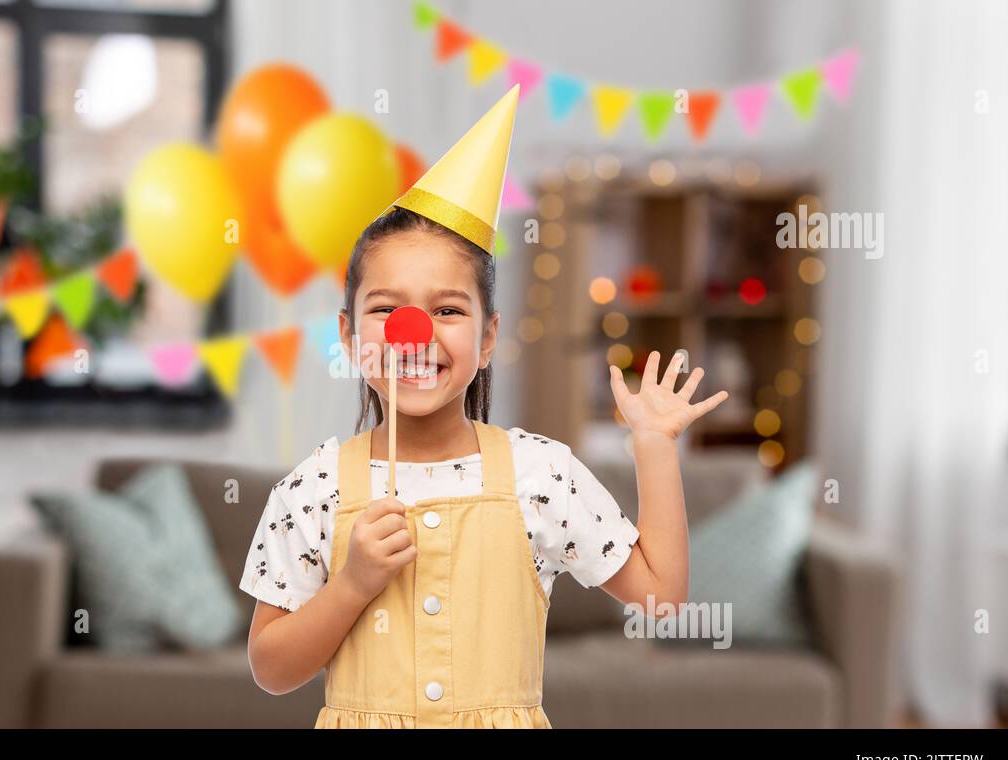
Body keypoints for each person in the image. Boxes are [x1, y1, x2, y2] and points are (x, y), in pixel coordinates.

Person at [239, 85, 729, 727]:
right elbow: (271, 670)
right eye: (387, 310)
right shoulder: (315, 488)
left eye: (448, 310)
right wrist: (352, 584)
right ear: (350, 335)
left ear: (489, 335)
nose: (417, 331)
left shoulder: (541, 474)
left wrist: (654, 446)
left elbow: (661, 600)